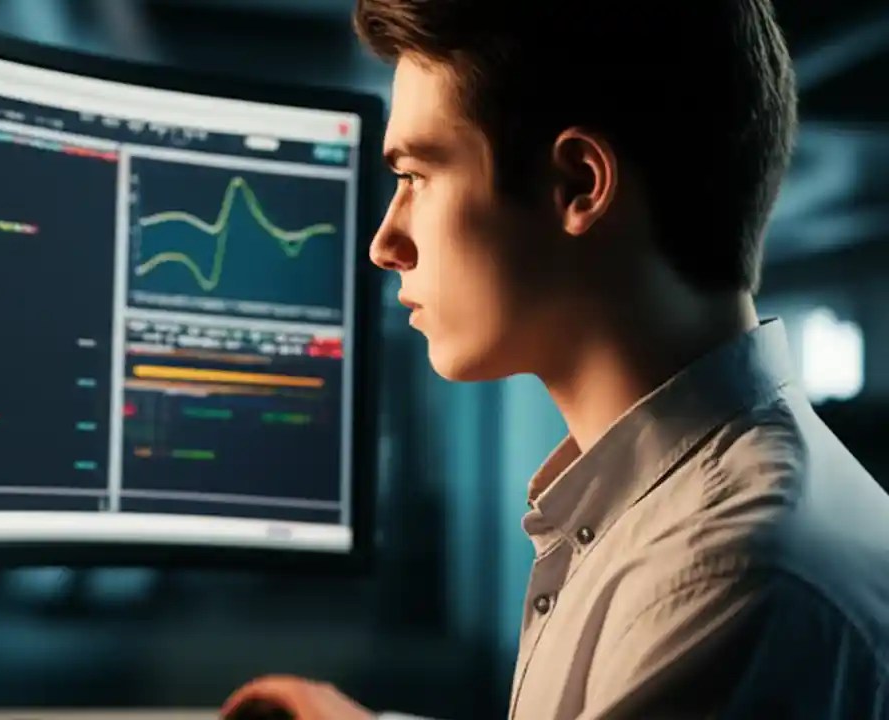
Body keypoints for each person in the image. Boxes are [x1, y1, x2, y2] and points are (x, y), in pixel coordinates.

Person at [221, 0, 889, 718]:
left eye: (415, 175)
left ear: (578, 184)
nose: (386, 241)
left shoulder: (721, 574)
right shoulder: (700, 509)